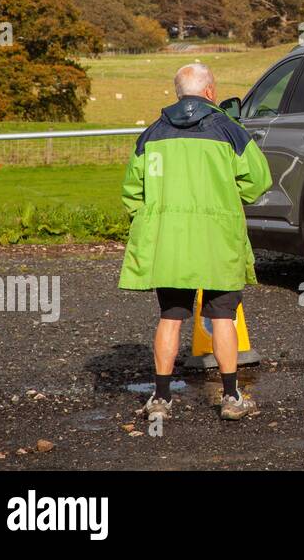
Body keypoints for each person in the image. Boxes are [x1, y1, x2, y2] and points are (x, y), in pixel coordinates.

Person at [119, 63, 272, 421]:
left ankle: (160, 400)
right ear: (210, 91)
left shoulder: (152, 134)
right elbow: (258, 179)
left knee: (170, 317)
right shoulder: (230, 131)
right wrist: (228, 196)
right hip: (217, 239)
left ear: (178, 93)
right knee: (222, 317)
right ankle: (232, 398)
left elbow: (132, 194)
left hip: (169, 242)